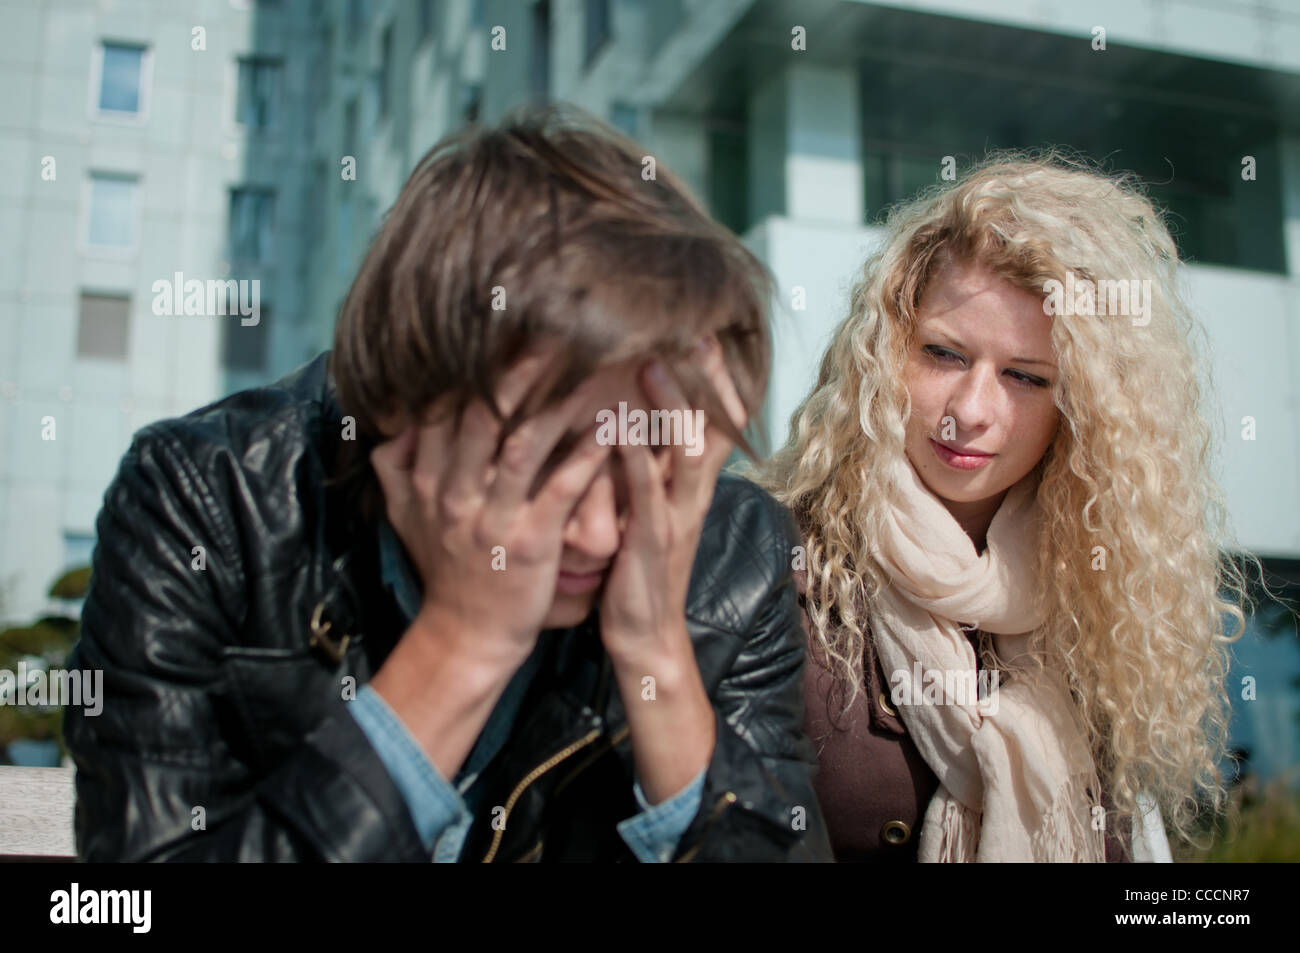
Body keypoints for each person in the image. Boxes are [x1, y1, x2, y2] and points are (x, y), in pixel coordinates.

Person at [64, 104, 832, 862]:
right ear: (406, 400)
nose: (598, 531)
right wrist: (463, 646)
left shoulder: (737, 554)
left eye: (642, 461)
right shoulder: (209, 501)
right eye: (550, 460)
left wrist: (658, 656)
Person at [749, 154, 1253, 862]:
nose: (972, 411)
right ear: (886, 351)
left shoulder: (1100, 603)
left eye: (1024, 376)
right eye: (945, 355)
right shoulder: (771, 568)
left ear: (1079, 411)